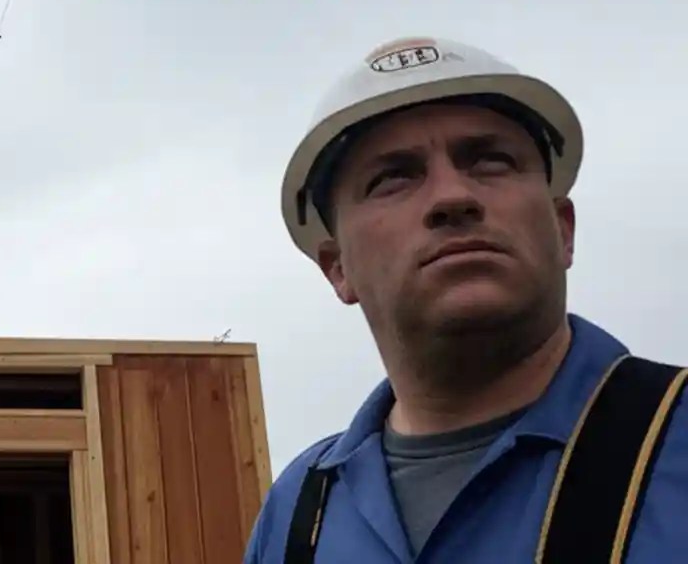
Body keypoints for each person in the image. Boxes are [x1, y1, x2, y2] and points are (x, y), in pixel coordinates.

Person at [243, 37, 688, 562]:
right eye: (393, 178)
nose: (453, 198)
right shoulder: (297, 514)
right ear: (337, 268)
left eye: (491, 161)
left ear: (563, 229)